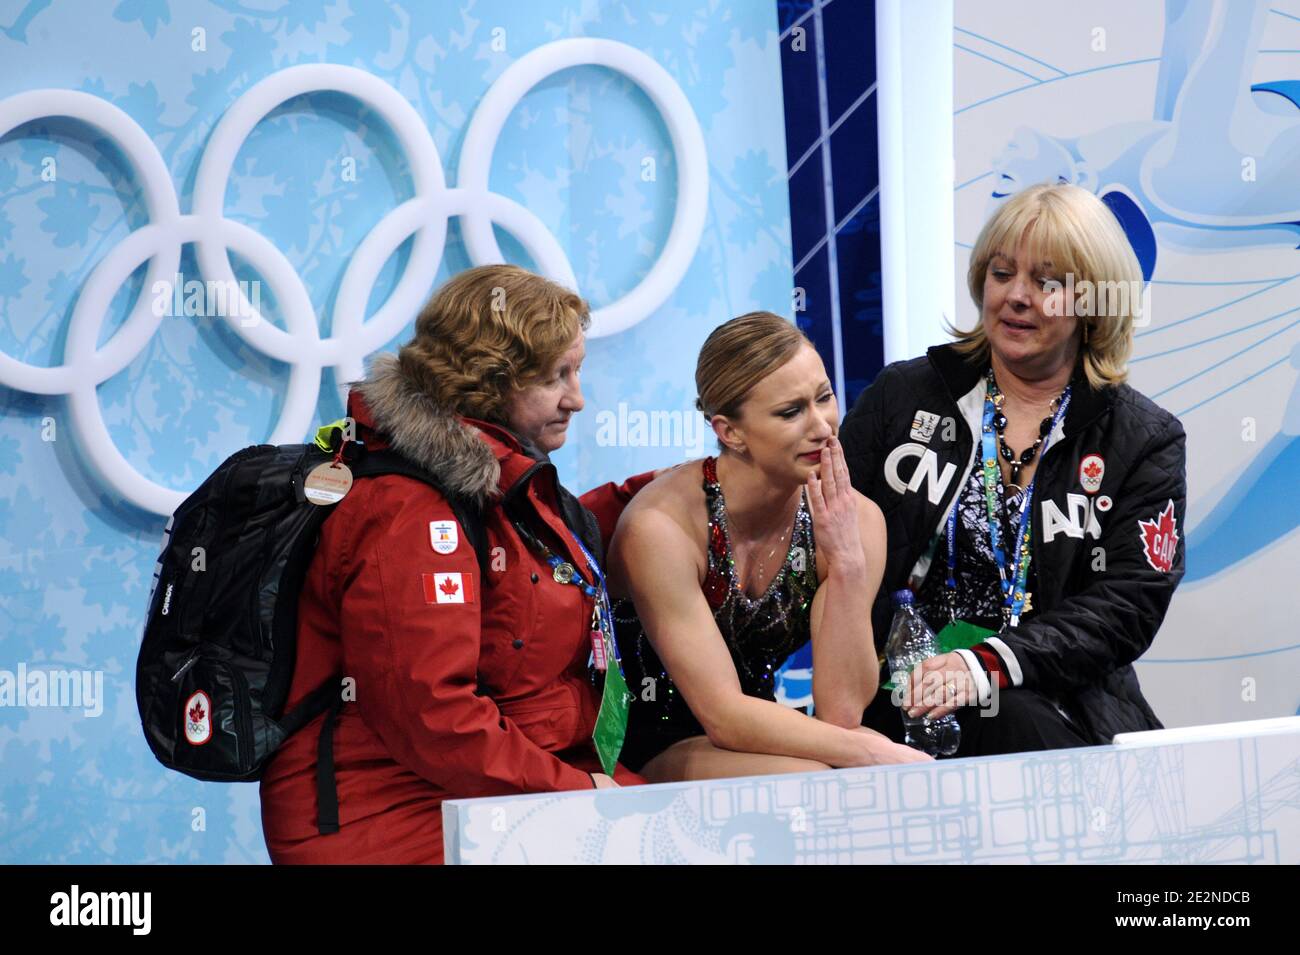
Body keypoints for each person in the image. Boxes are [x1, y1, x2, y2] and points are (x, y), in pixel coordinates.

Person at [260, 264, 654, 864]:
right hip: (384, 814)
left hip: (459, 790)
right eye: (557, 377)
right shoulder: (412, 510)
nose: (577, 398)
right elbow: (434, 716)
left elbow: (539, 555)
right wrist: (576, 794)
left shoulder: (475, 482)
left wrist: (676, 490)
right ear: (491, 382)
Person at [841, 182, 1187, 755]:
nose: (1017, 297)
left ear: (1094, 301)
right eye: (1002, 274)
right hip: (892, 694)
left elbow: (1128, 603)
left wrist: (986, 665)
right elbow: (829, 547)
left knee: (1013, 720)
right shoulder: (903, 397)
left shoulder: (1143, 440)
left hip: (1057, 704)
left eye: (1047, 283)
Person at [606, 312, 931, 782]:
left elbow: (842, 711)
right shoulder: (661, 528)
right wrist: (866, 752)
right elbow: (721, 713)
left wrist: (846, 564)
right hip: (650, 738)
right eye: (791, 411)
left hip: (756, 732)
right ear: (729, 432)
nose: (822, 426)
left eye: (824, 397)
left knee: (845, 764)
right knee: (832, 772)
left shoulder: (855, 520)